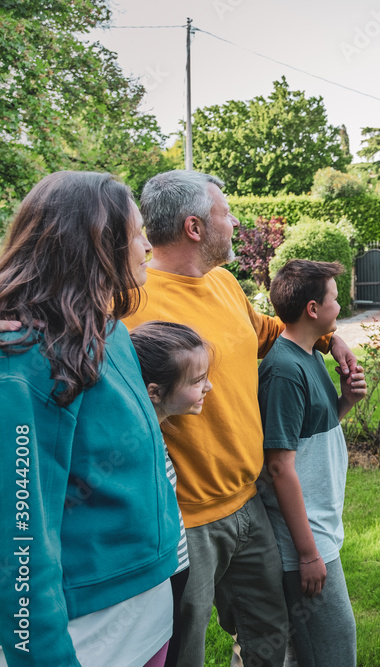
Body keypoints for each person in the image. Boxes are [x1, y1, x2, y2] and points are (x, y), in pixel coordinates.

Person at [121, 170, 360, 667]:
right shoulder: (129, 300)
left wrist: (326, 337)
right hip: (186, 519)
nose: (233, 222)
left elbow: (271, 333)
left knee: (268, 638)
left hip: (249, 506)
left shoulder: (225, 285)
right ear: (195, 227)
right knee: (182, 648)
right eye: (224, 214)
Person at [0, 171, 180, 666]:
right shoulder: (23, 360)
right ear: (95, 242)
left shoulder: (111, 331)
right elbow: (19, 529)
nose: (147, 245)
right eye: (137, 232)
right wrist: (40, 654)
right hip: (88, 628)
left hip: (145, 605)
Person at [256, 260, 365, 667]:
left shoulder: (308, 356)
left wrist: (346, 403)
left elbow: (309, 435)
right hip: (305, 540)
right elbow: (280, 467)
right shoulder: (284, 370)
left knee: (306, 653)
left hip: (320, 530)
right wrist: (306, 554)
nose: (341, 305)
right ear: (313, 309)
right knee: (334, 650)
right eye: (336, 298)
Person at [130, 322, 213, 667]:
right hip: (158, 576)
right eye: (196, 382)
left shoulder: (153, 430)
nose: (208, 386)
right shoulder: (137, 445)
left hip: (174, 566)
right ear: (154, 391)